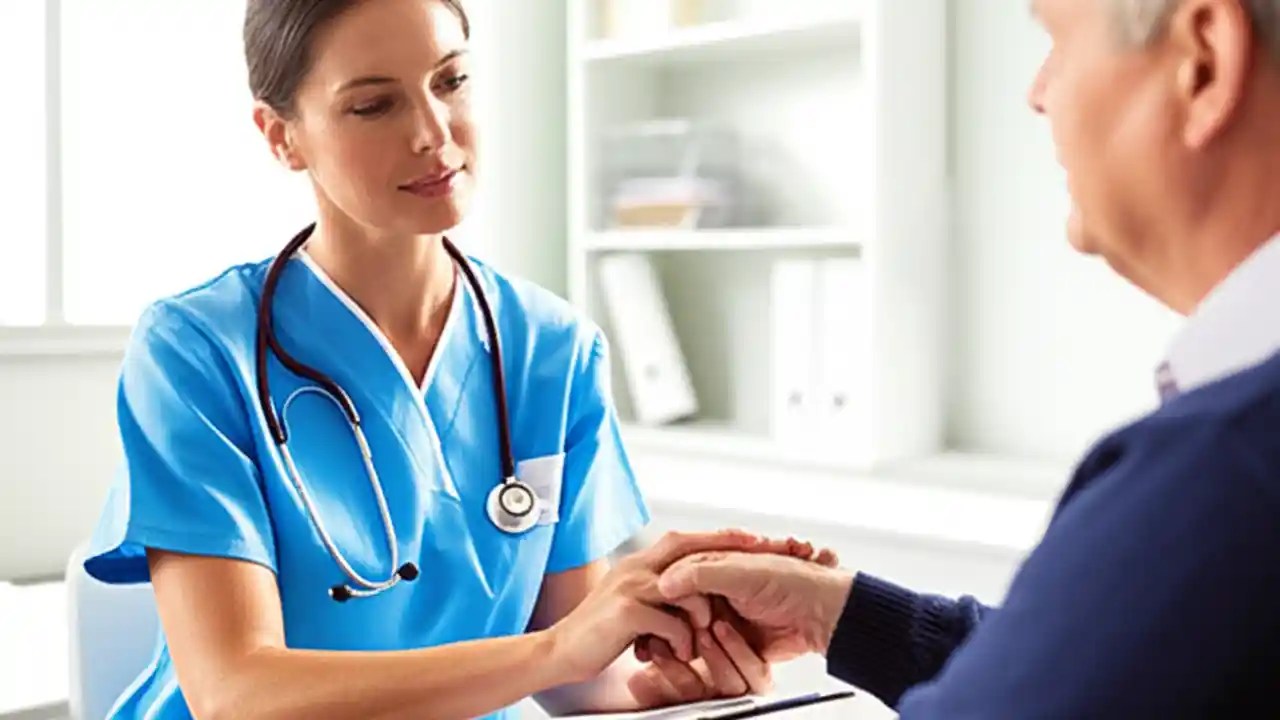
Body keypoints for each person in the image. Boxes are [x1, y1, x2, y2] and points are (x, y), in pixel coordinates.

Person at [78, 1, 811, 717]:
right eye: (374, 106)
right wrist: (560, 651)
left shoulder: (554, 351)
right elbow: (237, 696)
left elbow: (577, 679)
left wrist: (668, 678)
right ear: (282, 138)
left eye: (451, 82)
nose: (434, 132)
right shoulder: (198, 349)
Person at [656, 0, 1280, 716]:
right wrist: (841, 616)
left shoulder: (1223, 473)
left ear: (1203, 63)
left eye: (1057, 41)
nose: (1037, 93)